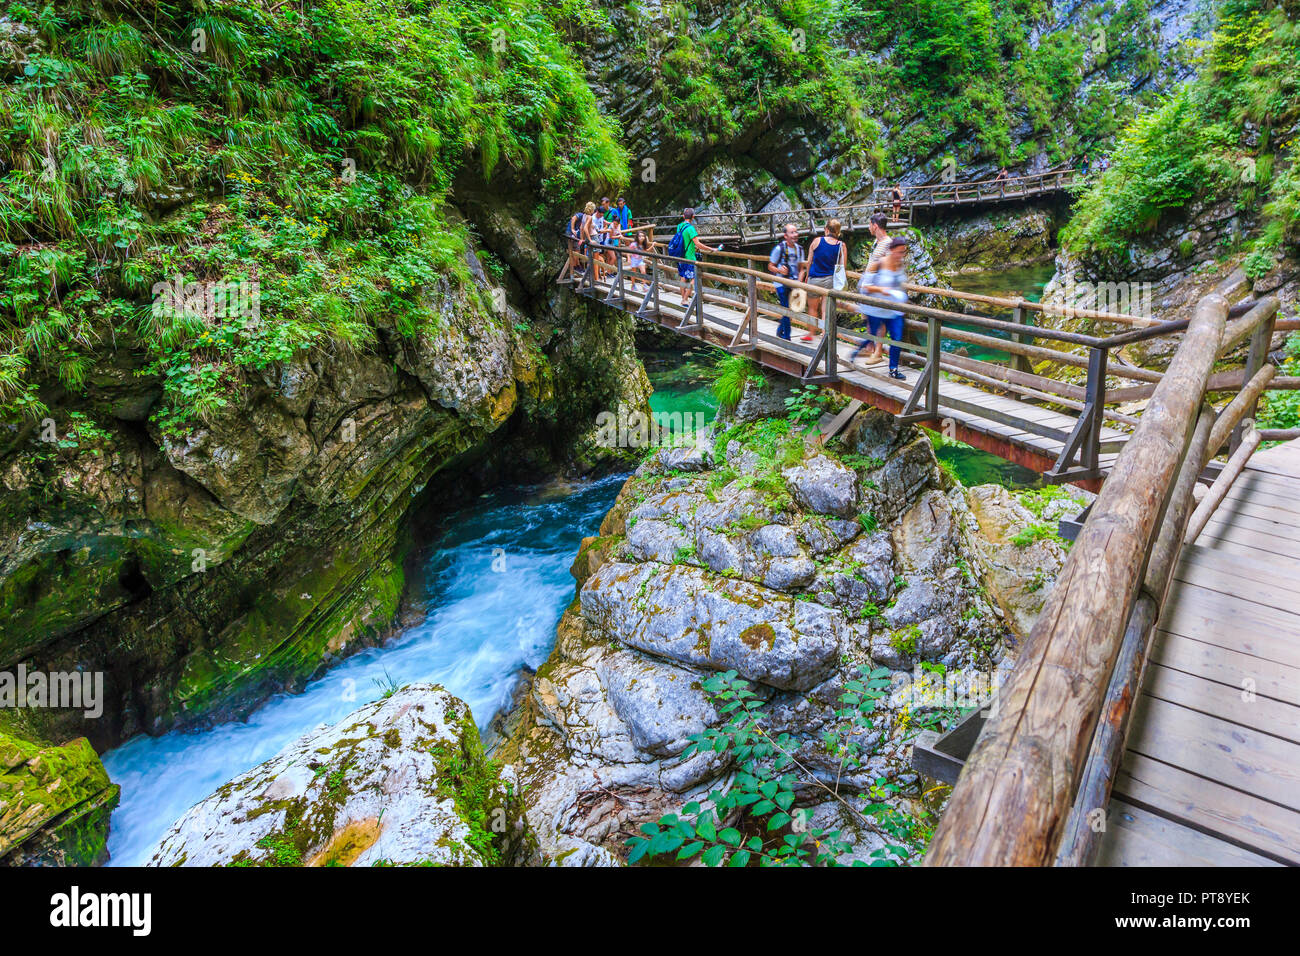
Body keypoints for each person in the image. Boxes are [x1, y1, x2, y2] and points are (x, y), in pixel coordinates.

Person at [850, 237, 909, 380]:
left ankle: (893, 369)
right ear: (892, 250)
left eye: (904, 253)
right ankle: (856, 352)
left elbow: (901, 285)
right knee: (872, 337)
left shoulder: (900, 266)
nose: (901, 256)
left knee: (897, 338)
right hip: (877, 309)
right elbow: (864, 286)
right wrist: (883, 290)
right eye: (899, 252)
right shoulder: (878, 265)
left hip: (894, 310)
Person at [799, 219, 846, 342]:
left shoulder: (816, 241)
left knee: (812, 308)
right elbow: (842, 267)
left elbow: (809, 262)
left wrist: (807, 276)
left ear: (826, 229)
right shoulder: (841, 245)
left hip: (814, 279)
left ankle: (811, 333)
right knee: (826, 310)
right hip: (830, 280)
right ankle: (825, 334)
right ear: (837, 231)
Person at [671, 207, 721, 306]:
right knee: (694, 278)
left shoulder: (679, 226)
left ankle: (683, 298)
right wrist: (711, 249)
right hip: (689, 257)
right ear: (693, 217)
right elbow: (698, 244)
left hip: (680, 256)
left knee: (683, 277)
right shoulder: (690, 229)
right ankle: (685, 299)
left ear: (683, 216)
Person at [766, 223, 803, 340]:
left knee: (792, 309)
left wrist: (799, 282)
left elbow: (801, 268)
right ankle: (787, 337)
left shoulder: (800, 249)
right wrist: (779, 270)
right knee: (786, 308)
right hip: (781, 283)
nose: (795, 235)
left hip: (793, 282)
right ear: (785, 235)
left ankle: (780, 330)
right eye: (792, 232)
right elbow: (770, 266)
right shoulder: (779, 249)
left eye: (796, 232)